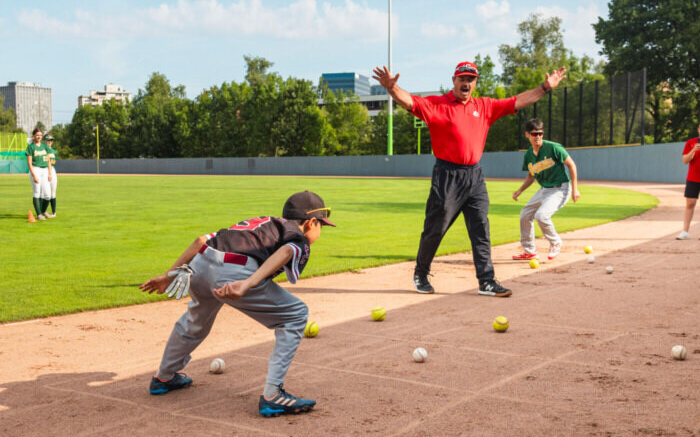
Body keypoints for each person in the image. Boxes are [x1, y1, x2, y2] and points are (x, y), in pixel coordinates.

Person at [373, 61, 567, 297]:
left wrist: (545, 87)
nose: (466, 83)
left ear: (475, 83)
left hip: (474, 176)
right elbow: (410, 101)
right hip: (447, 175)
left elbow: (517, 101)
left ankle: (486, 280)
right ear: (454, 80)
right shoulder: (437, 104)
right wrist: (392, 89)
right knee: (436, 229)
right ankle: (421, 272)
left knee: (480, 229)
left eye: (471, 79)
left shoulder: (484, 106)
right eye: (462, 78)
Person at [139, 190, 335, 417]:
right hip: (233, 272)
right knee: (296, 314)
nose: (321, 229)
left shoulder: (260, 223)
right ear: (311, 222)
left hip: (200, 265)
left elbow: (201, 241)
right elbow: (286, 251)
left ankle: (164, 377)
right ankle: (273, 395)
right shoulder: (297, 236)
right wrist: (247, 283)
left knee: (195, 321)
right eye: (321, 224)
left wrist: (169, 275)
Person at [511, 118, 580, 261]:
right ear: (527, 135)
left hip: (560, 189)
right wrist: (520, 190)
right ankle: (529, 251)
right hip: (544, 190)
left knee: (541, 216)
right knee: (525, 214)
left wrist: (575, 189)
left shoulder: (554, 147)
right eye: (534, 134)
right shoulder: (529, 154)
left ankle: (555, 242)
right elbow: (531, 176)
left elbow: (571, 165)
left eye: (540, 133)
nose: (537, 136)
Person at [25, 128, 53, 220]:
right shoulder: (31, 147)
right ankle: (39, 214)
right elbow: (29, 162)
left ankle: (43, 211)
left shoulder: (45, 146)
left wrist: (49, 173)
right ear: (34, 135)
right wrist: (34, 175)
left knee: (48, 194)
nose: (39, 137)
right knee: (37, 192)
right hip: (35, 169)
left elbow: (48, 160)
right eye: (37, 135)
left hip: (45, 170)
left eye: (40, 135)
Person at [44, 134, 58, 218]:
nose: (50, 142)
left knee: (53, 192)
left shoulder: (54, 151)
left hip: (52, 170)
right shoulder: (42, 150)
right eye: (48, 140)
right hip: (43, 170)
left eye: (51, 140)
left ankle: (53, 212)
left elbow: (54, 161)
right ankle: (42, 212)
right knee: (44, 193)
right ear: (44, 141)